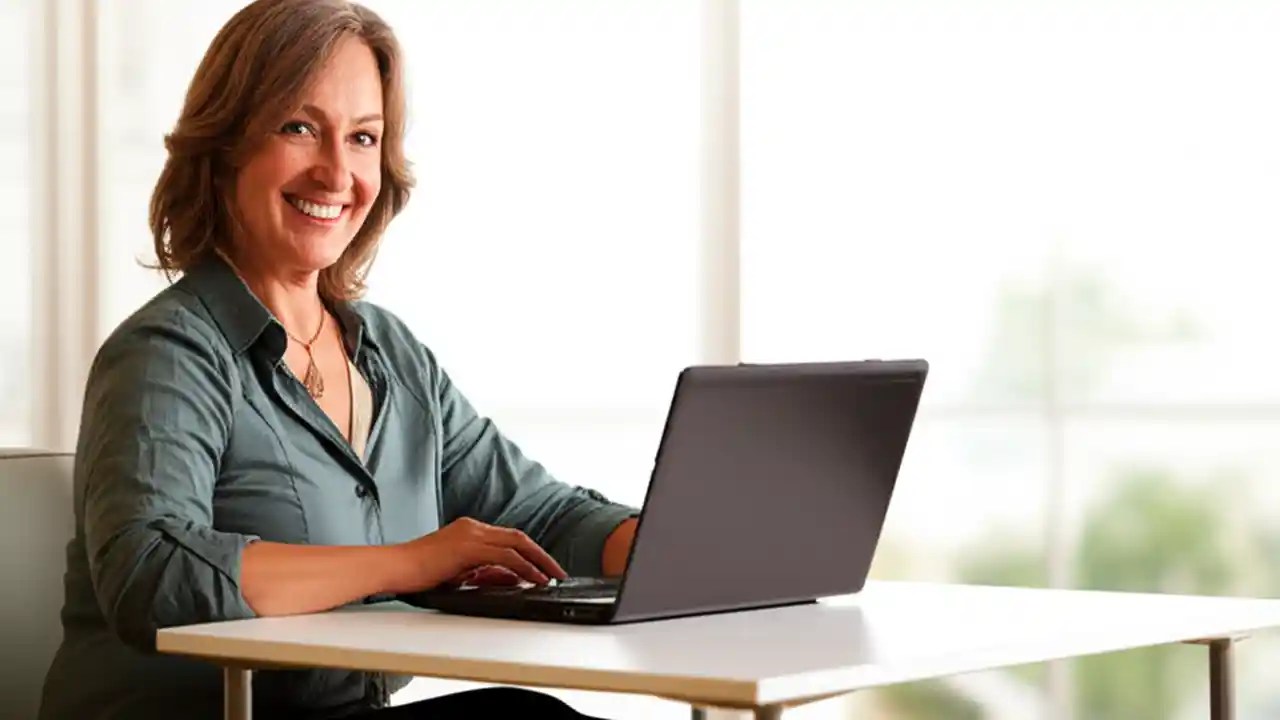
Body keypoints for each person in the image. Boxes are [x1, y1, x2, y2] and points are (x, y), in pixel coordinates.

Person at [37, 1, 640, 718]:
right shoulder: (168, 353)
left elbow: (538, 515)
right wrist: (415, 560)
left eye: (362, 138)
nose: (336, 173)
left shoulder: (392, 356)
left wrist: (678, 551)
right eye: (300, 128)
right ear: (226, 143)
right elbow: (153, 575)